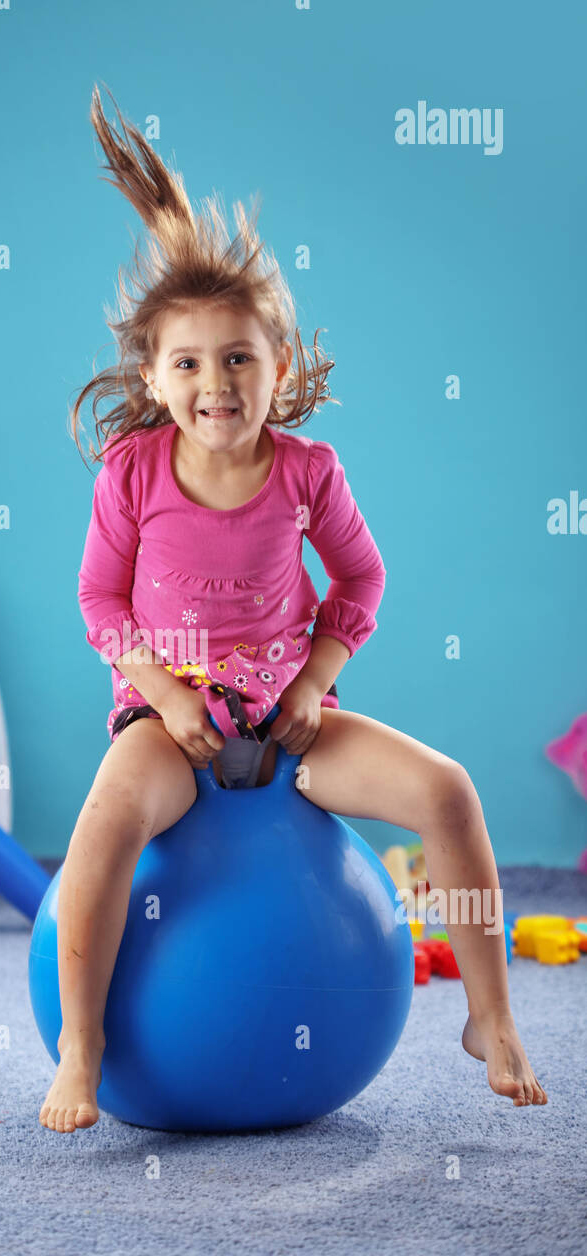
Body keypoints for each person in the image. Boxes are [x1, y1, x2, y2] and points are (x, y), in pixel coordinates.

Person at [39, 84, 547, 1132]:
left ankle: (489, 1017)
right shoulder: (131, 472)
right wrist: (156, 693)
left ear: (279, 368)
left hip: (285, 719)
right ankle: (81, 1049)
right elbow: (98, 600)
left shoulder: (307, 472)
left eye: (238, 359)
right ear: (155, 374)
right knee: (97, 832)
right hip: (166, 724)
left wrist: (314, 680)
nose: (214, 382)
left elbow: (358, 583)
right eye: (188, 362)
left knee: (447, 790)